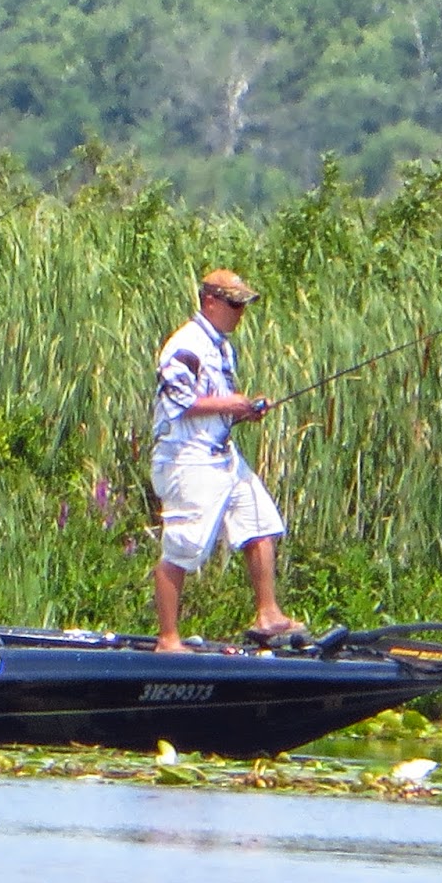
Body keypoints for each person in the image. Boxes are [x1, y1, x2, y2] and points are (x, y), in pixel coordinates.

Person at [148, 268, 300, 653]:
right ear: (210, 301)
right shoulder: (184, 345)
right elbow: (177, 402)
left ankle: (268, 614)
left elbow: (215, 401)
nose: (240, 312)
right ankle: (168, 639)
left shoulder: (221, 346)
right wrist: (230, 403)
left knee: (260, 522)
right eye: (234, 304)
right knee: (184, 546)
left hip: (222, 455)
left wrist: (243, 411)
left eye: (243, 305)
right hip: (187, 458)